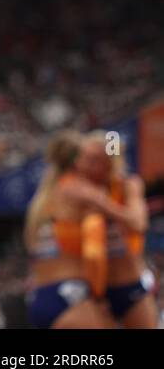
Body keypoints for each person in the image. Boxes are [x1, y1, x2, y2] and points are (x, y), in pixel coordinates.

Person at [23, 130, 114, 328]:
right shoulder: (81, 192)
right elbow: (95, 253)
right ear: (78, 160)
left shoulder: (40, 202)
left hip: (41, 297)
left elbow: (31, 249)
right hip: (73, 292)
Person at [77, 131, 157, 328]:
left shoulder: (127, 185)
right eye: (85, 158)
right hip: (92, 293)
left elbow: (138, 223)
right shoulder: (76, 191)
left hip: (130, 285)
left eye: (94, 159)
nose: (86, 164)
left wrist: (101, 203)